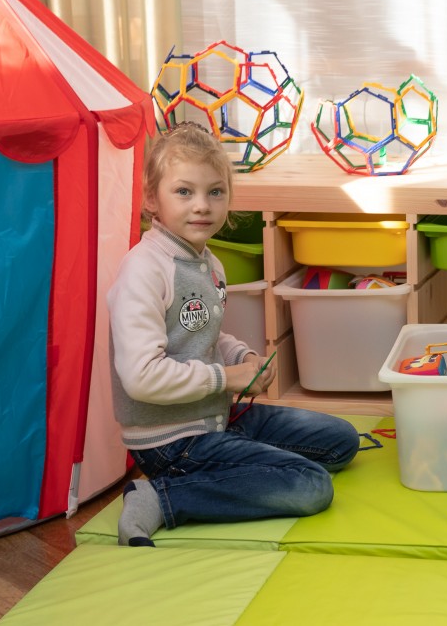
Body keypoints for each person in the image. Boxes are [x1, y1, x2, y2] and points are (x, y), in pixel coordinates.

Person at [107, 122, 359, 547]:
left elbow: (207, 333)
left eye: (215, 192)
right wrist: (229, 378)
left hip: (219, 419)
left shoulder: (208, 263)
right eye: (184, 192)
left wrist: (242, 358)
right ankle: (162, 495)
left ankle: (240, 469)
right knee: (310, 484)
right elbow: (141, 377)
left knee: (341, 441)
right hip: (171, 443)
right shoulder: (144, 270)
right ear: (152, 199)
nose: (202, 206)